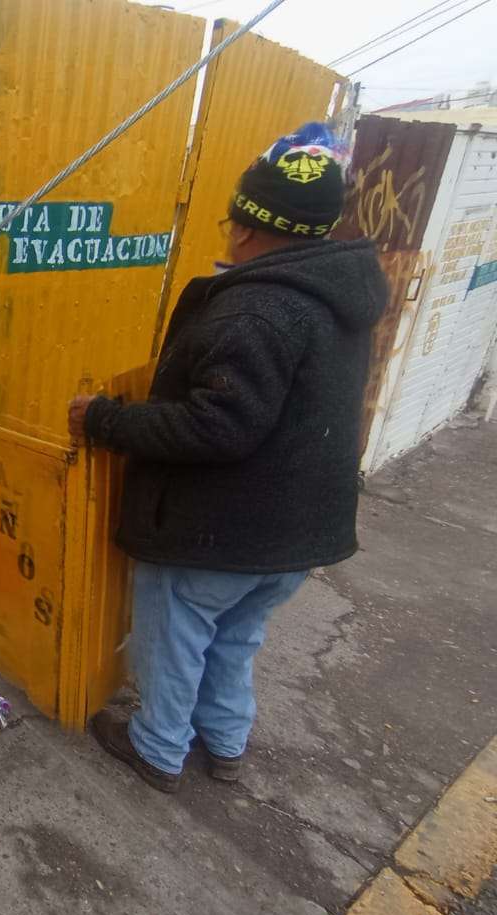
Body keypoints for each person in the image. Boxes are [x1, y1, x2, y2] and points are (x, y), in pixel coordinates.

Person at [67, 123, 388, 794]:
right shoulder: (338, 294)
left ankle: (157, 749)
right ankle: (225, 741)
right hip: (295, 534)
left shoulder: (256, 309)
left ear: (245, 229)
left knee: (175, 639)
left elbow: (218, 426)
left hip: (220, 532)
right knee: (236, 638)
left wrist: (105, 419)